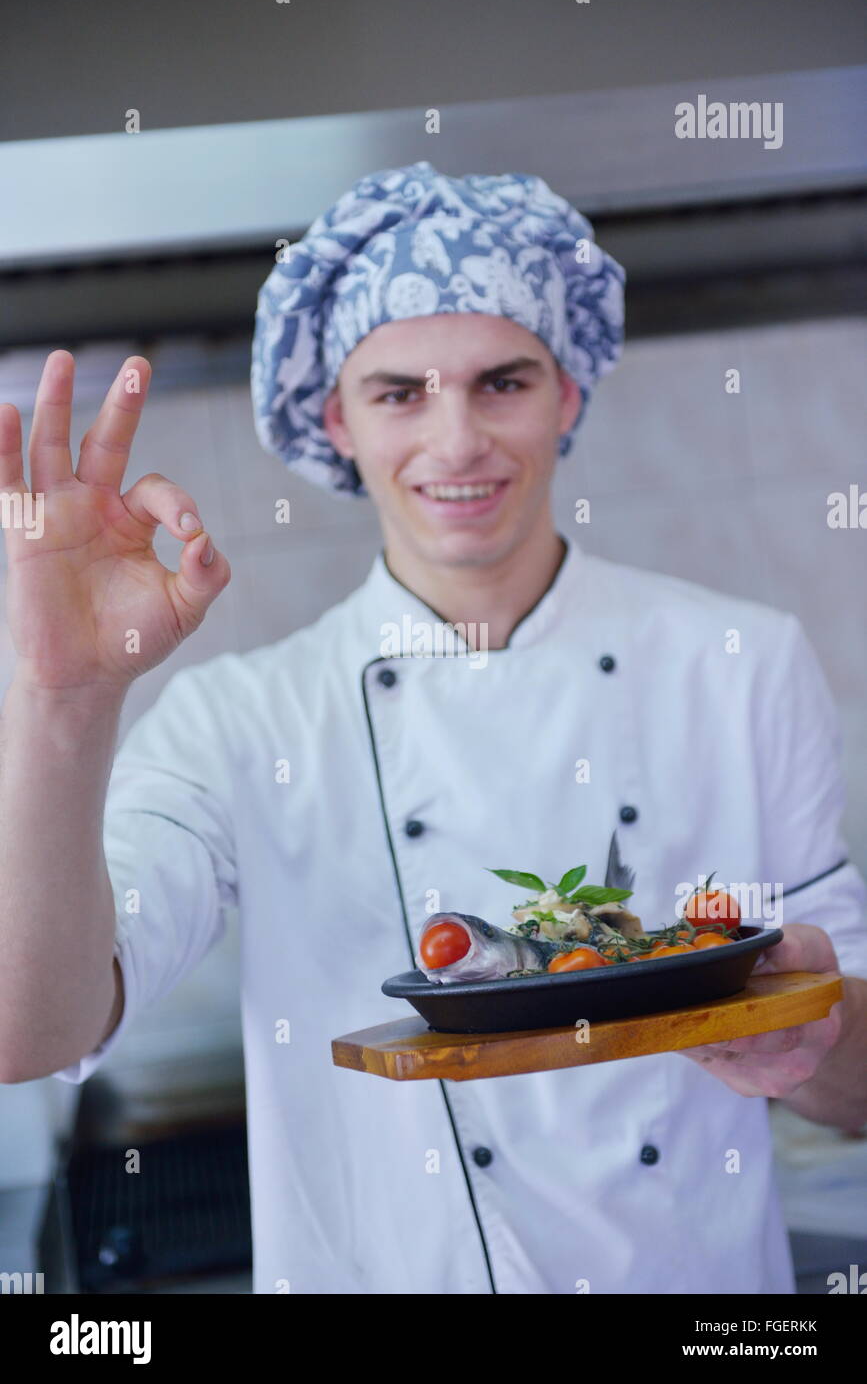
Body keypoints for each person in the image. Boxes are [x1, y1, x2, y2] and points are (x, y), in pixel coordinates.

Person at [1, 161, 865, 1296]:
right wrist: (66, 702)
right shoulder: (243, 716)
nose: (457, 442)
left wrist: (812, 1039)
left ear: (567, 393)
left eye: (501, 382)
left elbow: (854, 1095)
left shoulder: (742, 665)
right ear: (334, 420)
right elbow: (36, 1031)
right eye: (400, 391)